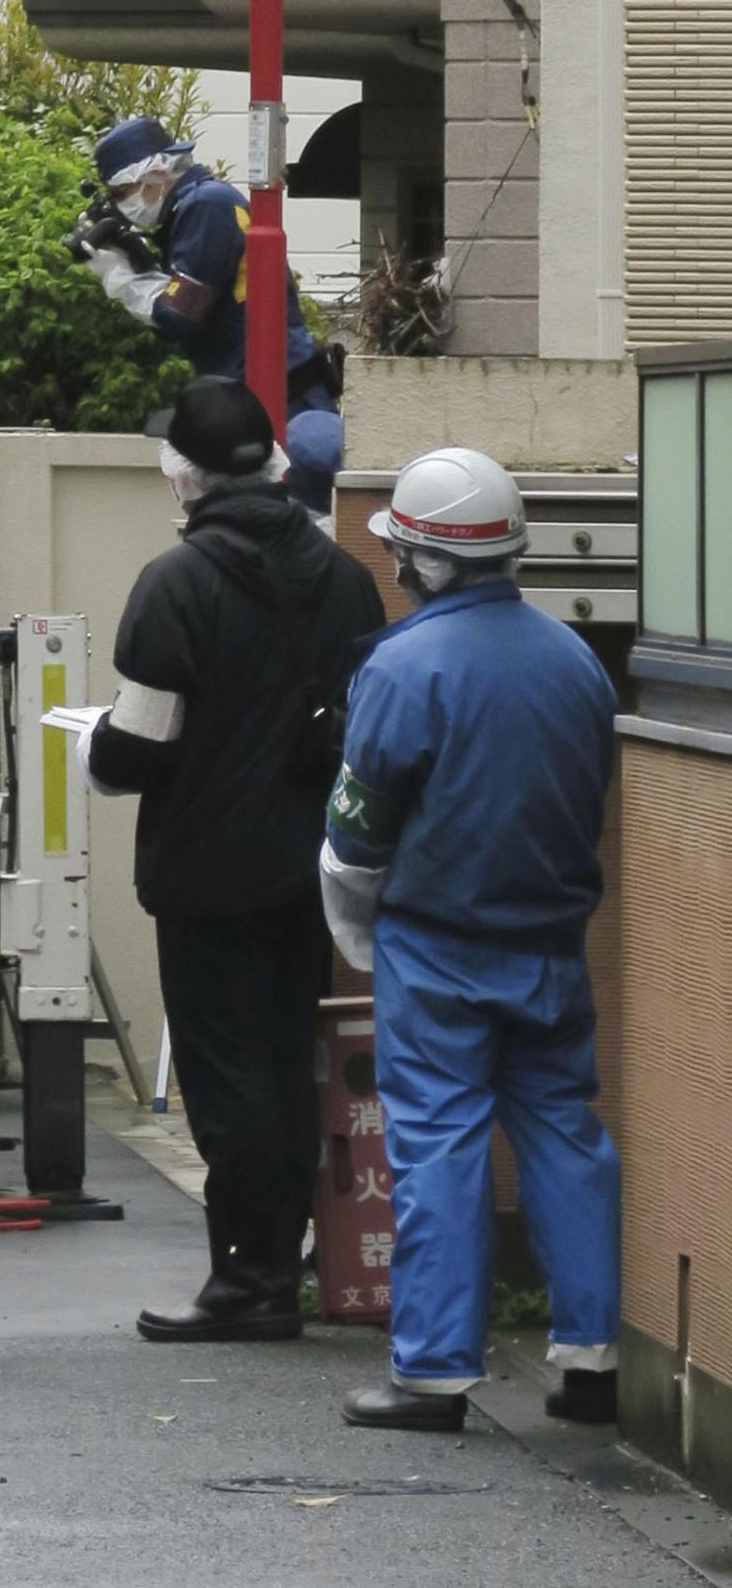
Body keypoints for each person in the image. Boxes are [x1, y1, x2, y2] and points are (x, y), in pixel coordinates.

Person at [320, 445, 622, 1436]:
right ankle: (589, 1359)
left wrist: (358, 934)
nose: (397, 566)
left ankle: (434, 1373)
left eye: (402, 550)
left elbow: (357, 836)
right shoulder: (572, 661)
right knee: (565, 1137)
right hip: (550, 939)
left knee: (439, 1147)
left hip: (438, 944)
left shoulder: (404, 665)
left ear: (426, 562)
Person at [86, 374, 384, 1341]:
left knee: (229, 1082)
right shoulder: (343, 577)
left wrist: (91, 742)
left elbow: (137, 750)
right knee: (285, 1062)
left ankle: (246, 1280)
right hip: (313, 868)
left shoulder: (175, 585)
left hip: (208, 871)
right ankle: (278, 1262)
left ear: (184, 472)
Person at [83, 115, 346, 516]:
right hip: (272, 391)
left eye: (124, 192)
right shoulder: (198, 205)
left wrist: (119, 276)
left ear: (154, 174)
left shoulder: (205, 206)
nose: (124, 203)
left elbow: (179, 314)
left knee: (295, 519)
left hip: (282, 399)